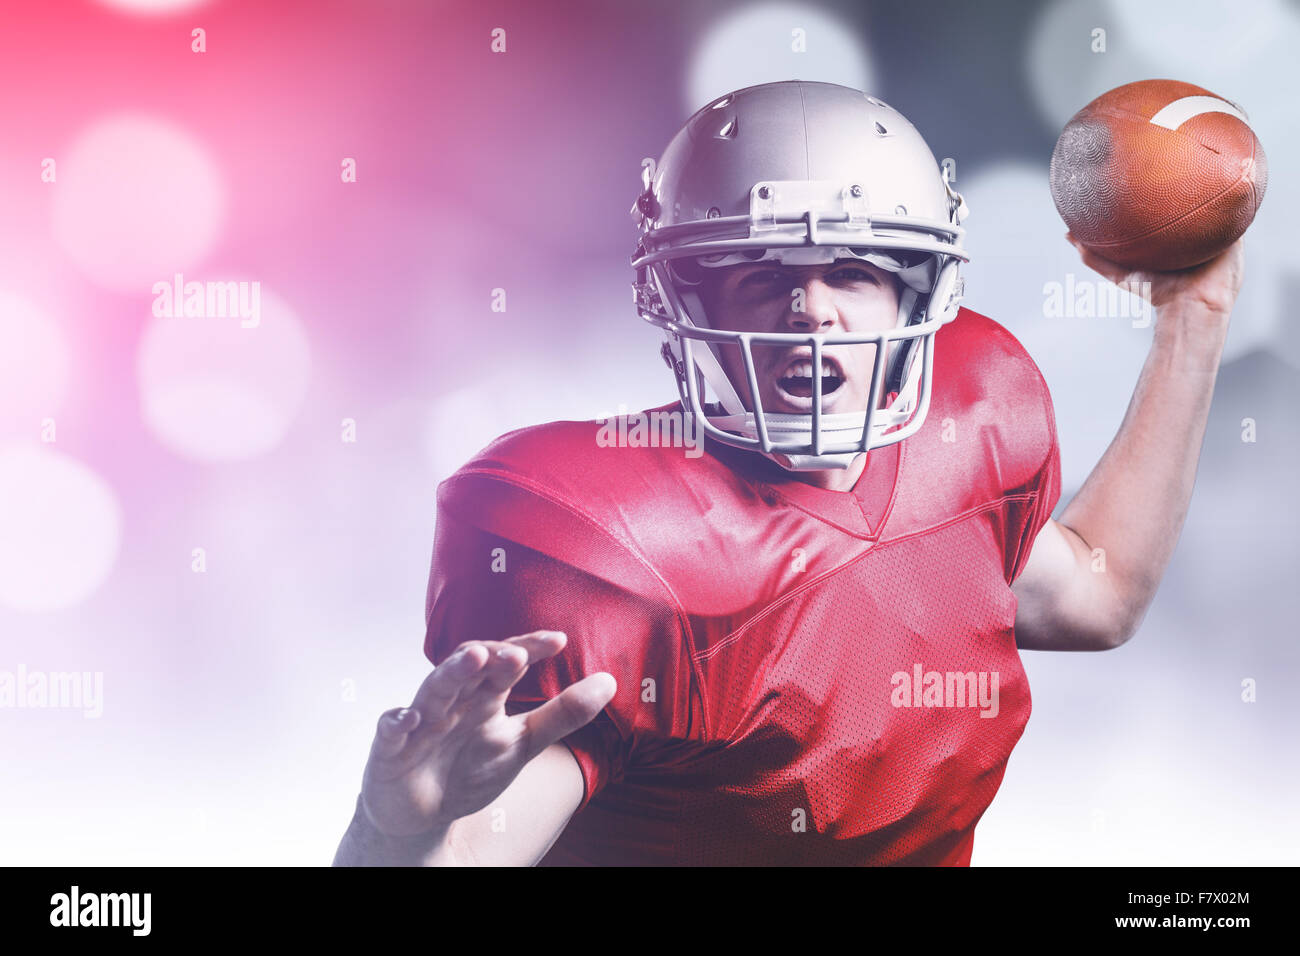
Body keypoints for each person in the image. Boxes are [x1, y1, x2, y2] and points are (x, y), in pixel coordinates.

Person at [333, 80, 1244, 866]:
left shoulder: (975, 416)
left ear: (917, 292)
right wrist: (396, 834)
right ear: (683, 297)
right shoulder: (614, 540)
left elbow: (1097, 594)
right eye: (759, 273)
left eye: (851, 270)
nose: (811, 311)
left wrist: (1194, 318)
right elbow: (466, 849)